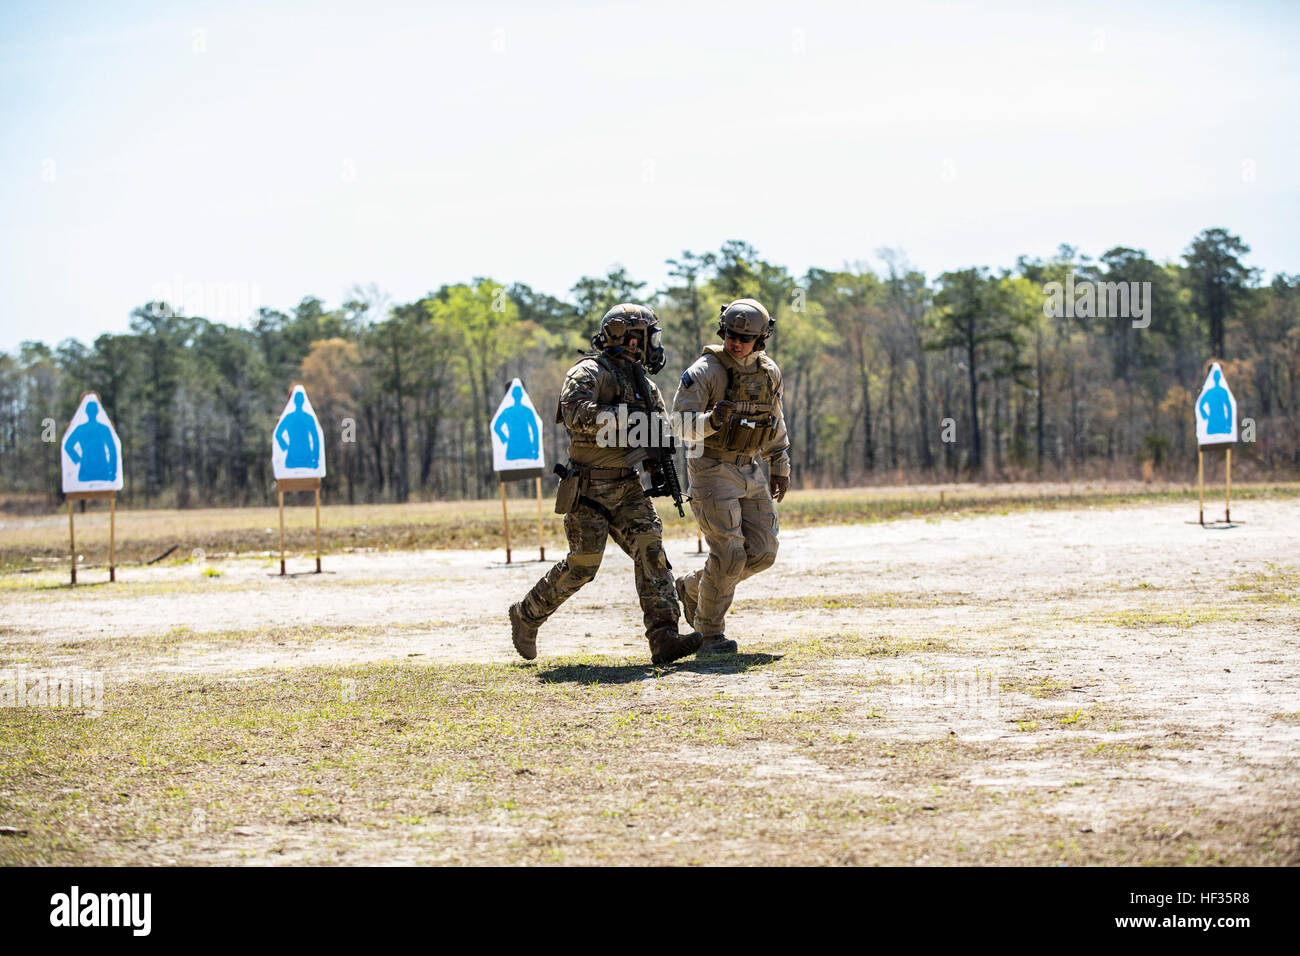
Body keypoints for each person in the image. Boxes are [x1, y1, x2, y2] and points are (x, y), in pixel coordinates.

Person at [509, 304, 703, 666]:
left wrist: (658, 458)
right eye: (649, 337)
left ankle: (665, 637)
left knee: (651, 550)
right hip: (588, 486)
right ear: (630, 338)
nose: (654, 345)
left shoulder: (645, 384)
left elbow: (653, 431)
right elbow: (575, 414)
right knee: (583, 565)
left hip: (626, 485)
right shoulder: (588, 371)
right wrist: (628, 417)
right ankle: (526, 614)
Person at [670, 298, 790, 654]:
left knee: (764, 551)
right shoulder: (704, 371)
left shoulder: (769, 372)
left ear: (761, 339)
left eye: (745, 337)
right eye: (731, 334)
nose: (736, 342)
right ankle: (709, 633)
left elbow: (776, 419)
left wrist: (780, 462)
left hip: (750, 467)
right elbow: (678, 424)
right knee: (730, 553)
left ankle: (694, 588)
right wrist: (711, 421)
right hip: (711, 467)